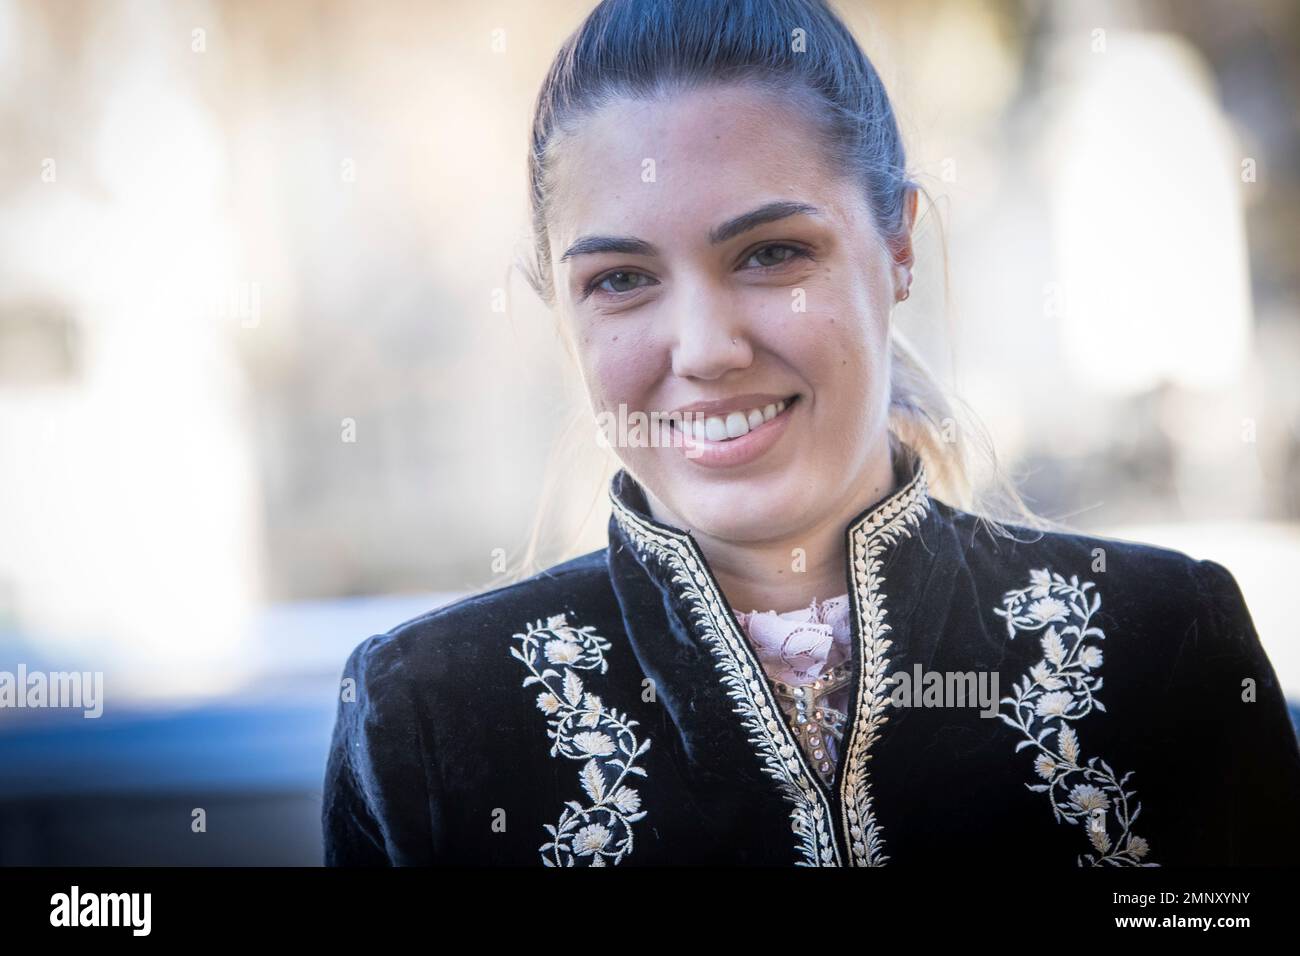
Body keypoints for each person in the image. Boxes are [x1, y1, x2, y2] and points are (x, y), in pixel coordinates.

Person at [322, 0, 1300, 866]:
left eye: (771, 253)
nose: (705, 349)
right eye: (620, 278)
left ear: (898, 245)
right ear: (555, 303)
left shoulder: (1164, 641)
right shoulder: (431, 716)